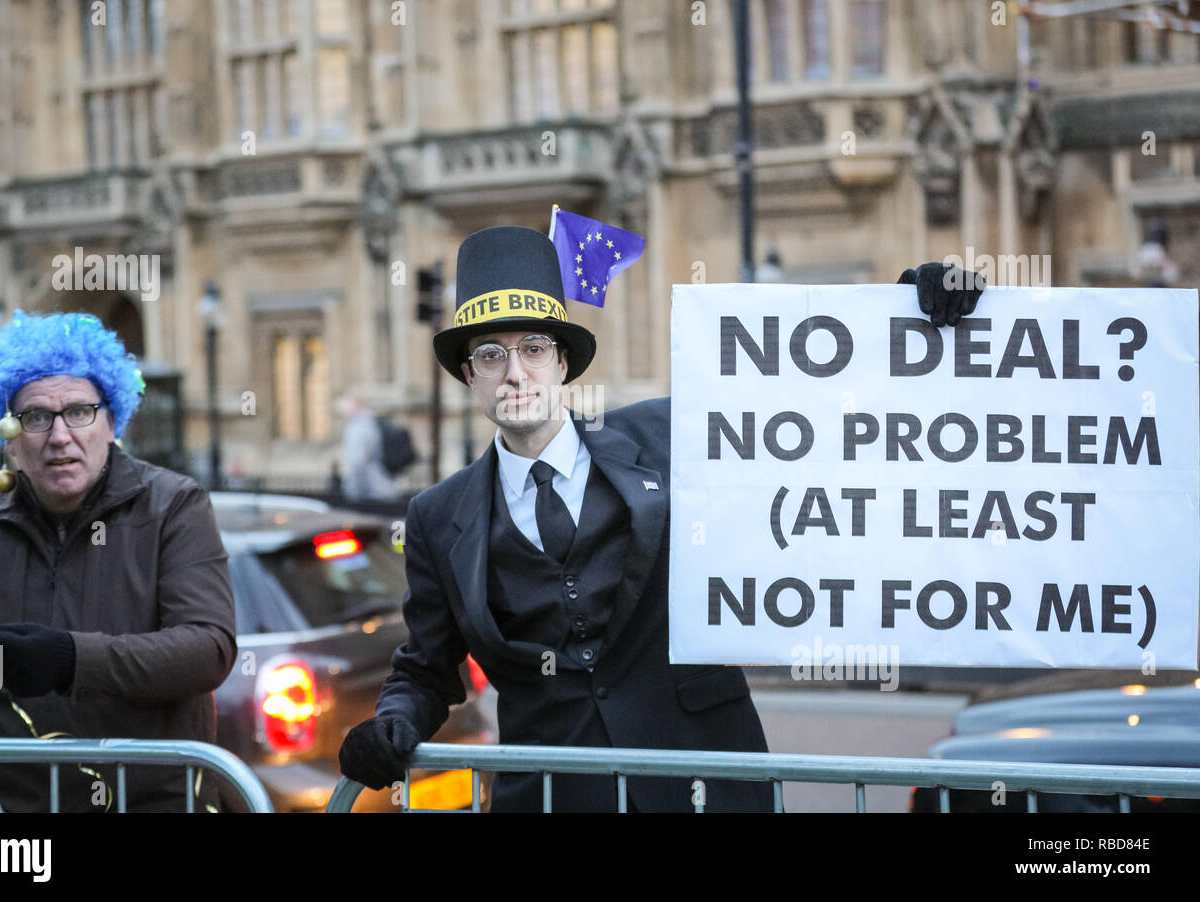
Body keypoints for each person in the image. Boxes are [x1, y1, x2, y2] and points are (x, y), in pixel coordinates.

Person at [338, 226, 983, 812]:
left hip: (706, 779)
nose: (515, 373)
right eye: (490, 354)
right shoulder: (436, 515)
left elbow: (801, 394)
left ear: (562, 362)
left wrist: (898, 316)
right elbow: (426, 669)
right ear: (467, 376)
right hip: (556, 799)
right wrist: (392, 722)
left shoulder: (669, 434)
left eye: (533, 348)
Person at [0, 311, 237, 812]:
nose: (60, 436)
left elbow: (207, 648)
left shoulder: (174, 506)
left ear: (110, 420)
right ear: (10, 437)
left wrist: (73, 661)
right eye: (36, 417)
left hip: (146, 801)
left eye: (79, 411)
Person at [337, 390, 399, 504]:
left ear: (356, 405)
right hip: (380, 488)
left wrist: (353, 493)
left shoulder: (359, 428)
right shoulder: (370, 424)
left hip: (371, 493)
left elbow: (358, 462)